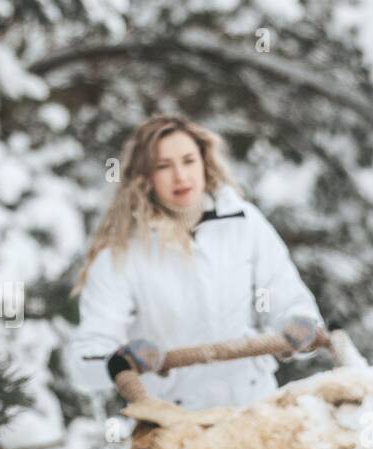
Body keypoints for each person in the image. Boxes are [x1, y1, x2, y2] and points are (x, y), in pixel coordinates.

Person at [64, 115, 324, 407]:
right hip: (173, 424)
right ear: (144, 177)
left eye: (188, 161)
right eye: (163, 166)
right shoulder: (122, 256)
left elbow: (287, 297)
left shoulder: (244, 224)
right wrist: (121, 361)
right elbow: (84, 362)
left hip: (253, 412)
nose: (180, 176)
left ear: (204, 162)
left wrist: (298, 326)